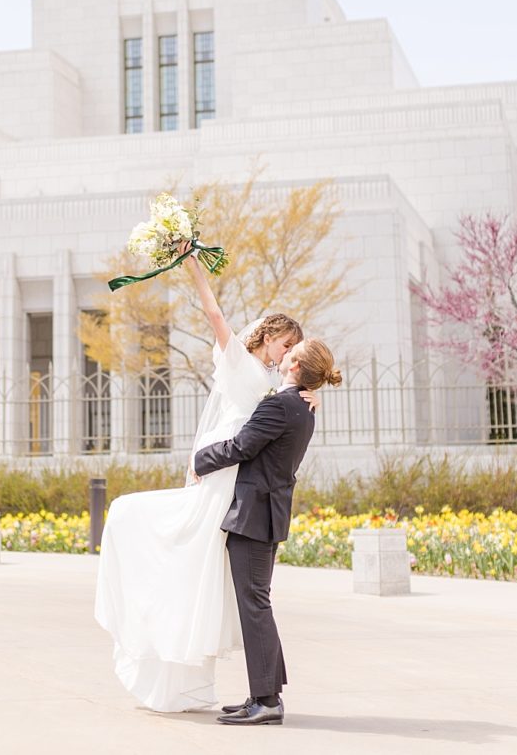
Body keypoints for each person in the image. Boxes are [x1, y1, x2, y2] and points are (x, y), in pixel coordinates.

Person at [94, 245, 306, 714]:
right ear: (268, 335)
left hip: (235, 475)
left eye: (294, 349)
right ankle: (252, 691)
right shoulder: (238, 360)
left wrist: (308, 391)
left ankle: (259, 694)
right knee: (159, 531)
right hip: (223, 468)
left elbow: (280, 413)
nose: (288, 354)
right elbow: (214, 313)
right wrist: (192, 264)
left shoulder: (275, 385)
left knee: (213, 574)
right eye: (285, 344)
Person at [191, 335, 340, 727]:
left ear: (295, 366)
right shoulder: (302, 406)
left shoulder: (281, 405)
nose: (284, 353)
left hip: (254, 515)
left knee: (255, 605)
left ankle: (267, 700)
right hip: (266, 513)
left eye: (291, 352)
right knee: (256, 603)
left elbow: (242, 446)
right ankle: (263, 694)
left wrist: (200, 459)